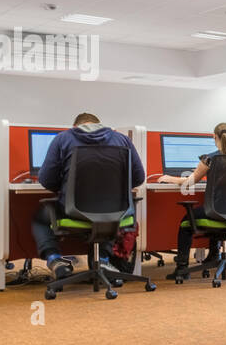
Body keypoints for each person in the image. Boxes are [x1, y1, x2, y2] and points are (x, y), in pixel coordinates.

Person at [33, 113, 146, 279]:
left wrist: (66, 188)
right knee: (109, 210)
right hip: (115, 214)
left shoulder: (63, 139)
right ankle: (103, 259)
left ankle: (55, 259)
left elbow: (47, 180)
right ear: (99, 124)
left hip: (74, 211)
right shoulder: (122, 140)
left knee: (40, 217)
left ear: (75, 126)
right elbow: (138, 178)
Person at [157, 122, 226, 280]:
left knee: (187, 221)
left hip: (217, 212)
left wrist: (168, 178)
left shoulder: (209, 159)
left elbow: (189, 182)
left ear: (214, 137)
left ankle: (182, 269)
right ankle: (213, 255)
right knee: (211, 208)